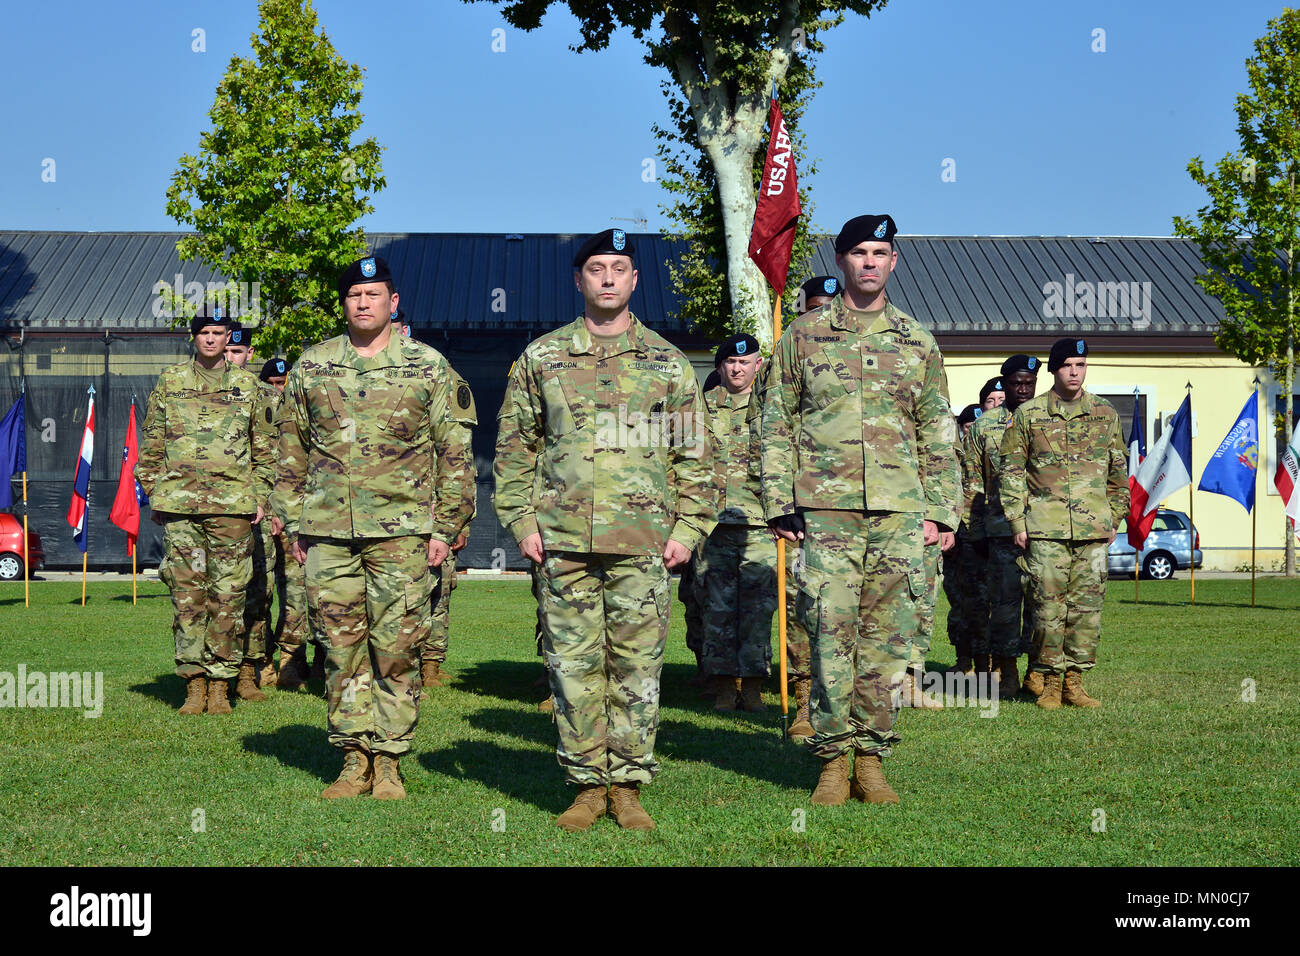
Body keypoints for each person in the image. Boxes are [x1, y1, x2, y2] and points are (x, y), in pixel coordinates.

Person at [494, 228, 717, 832]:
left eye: (620, 268)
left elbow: (695, 454)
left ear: (635, 280)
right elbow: (516, 449)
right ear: (579, 280)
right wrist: (521, 522)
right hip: (562, 539)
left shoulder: (666, 362)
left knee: (637, 670)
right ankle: (587, 784)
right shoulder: (541, 359)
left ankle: (628, 784)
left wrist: (689, 529)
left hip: (643, 544)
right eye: (597, 269)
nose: (609, 278)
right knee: (572, 667)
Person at [761, 214, 959, 806]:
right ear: (842, 261)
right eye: (859, 253)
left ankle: (871, 757)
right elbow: (774, 423)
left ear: (894, 262)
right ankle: (830, 760)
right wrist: (779, 502)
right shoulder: (802, 336)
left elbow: (937, 430)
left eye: (880, 252)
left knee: (887, 640)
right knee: (828, 632)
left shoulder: (917, 342)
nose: (870, 262)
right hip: (826, 513)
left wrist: (940, 510)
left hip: (899, 512)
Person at [273, 255, 476, 799]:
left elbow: (454, 453)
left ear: (394, 301)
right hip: (328, 531)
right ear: (344, 304)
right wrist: (293, 522)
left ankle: (388, 760)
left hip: (403, 531)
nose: (363, 303)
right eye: (353, 296)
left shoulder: (428, 367)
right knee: (339, 647)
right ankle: (352, 756)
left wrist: (445, 526)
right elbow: (289, 449)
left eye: (373, 294)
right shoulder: (312, 366)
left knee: (397, 646)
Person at [137, 313, 275, 715]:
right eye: (205, 333)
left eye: (219, 334)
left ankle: (220, 685)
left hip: (232, 508)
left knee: (228, 596)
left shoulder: (250, 386)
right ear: (194, 338)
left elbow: (264, 449)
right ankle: (193, 684)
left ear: (228, 338)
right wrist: (155, 491)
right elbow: (152, 440)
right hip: (181, 507)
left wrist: (260, 495)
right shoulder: (171, 381)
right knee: (187, 598)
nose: (211, 340)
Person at [999, 337, 1128, 709]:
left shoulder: (1104, 414)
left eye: (1081, 365)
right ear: (1055, 370)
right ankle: (1050, 681)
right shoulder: (1030, 415)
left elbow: (1119, 472)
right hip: (1044, 528)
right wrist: (1017, 521)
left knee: (1087, 610)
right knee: (1046, 608)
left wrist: (1115, 516)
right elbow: (1011, 471)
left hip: (1093, 530)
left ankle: (1075, 681)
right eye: (1068, 365)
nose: (1075, 371)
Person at [697, 333, 777, 712]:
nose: (738, 367)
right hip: (713, 525)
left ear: (758, 364)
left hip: (761, 525)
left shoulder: (773, 407)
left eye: (746, 362)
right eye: (730, 362)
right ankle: (725, 685)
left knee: (759, 609)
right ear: (720, 367)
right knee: (717, 609)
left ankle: (756, 683)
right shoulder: (699, 407)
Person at [966, 354, 1041, 696]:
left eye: (1029, 383)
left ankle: (1038, 670)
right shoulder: (984, 426)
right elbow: (972, 482)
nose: (1022, 390)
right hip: (999, 531)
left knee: (1044, 603)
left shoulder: (1047, 420)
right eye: (1015, 383)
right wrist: (974, 531)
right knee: (1006, 604)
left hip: (1044, 527)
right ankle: (1007, 668)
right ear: (1005, 383)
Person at [221, 322, 279, 698]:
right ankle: (217, 673)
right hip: (216, 511)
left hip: (257, 512)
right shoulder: (204, 393)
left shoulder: (267, 397)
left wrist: (273, 508)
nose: (231, 358)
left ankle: (248, 670)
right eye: (227, 351)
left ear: (249, 354)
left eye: (238, 352)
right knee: (217, 596)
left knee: (257, 592)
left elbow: (277, 458)